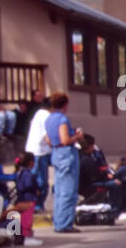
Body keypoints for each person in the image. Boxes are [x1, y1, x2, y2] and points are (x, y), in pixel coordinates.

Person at [44, 92, 83, 233]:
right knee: (69, 190)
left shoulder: (48, 119)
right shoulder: (62, 119)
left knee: (60, 190)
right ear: (64, 105)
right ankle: (64, 223)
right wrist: (77, 136)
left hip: (55, 153)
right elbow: (65, 139)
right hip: (66, 153)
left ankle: (59, 220)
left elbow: (47, 139)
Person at [24, 92, 53, 212]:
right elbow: (47, 137)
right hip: (40, 152)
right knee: (40, 181)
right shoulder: (46, 116)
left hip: (33, 150)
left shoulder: (38, 113)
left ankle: (34, 204)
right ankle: (37, 205)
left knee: (32, 178)